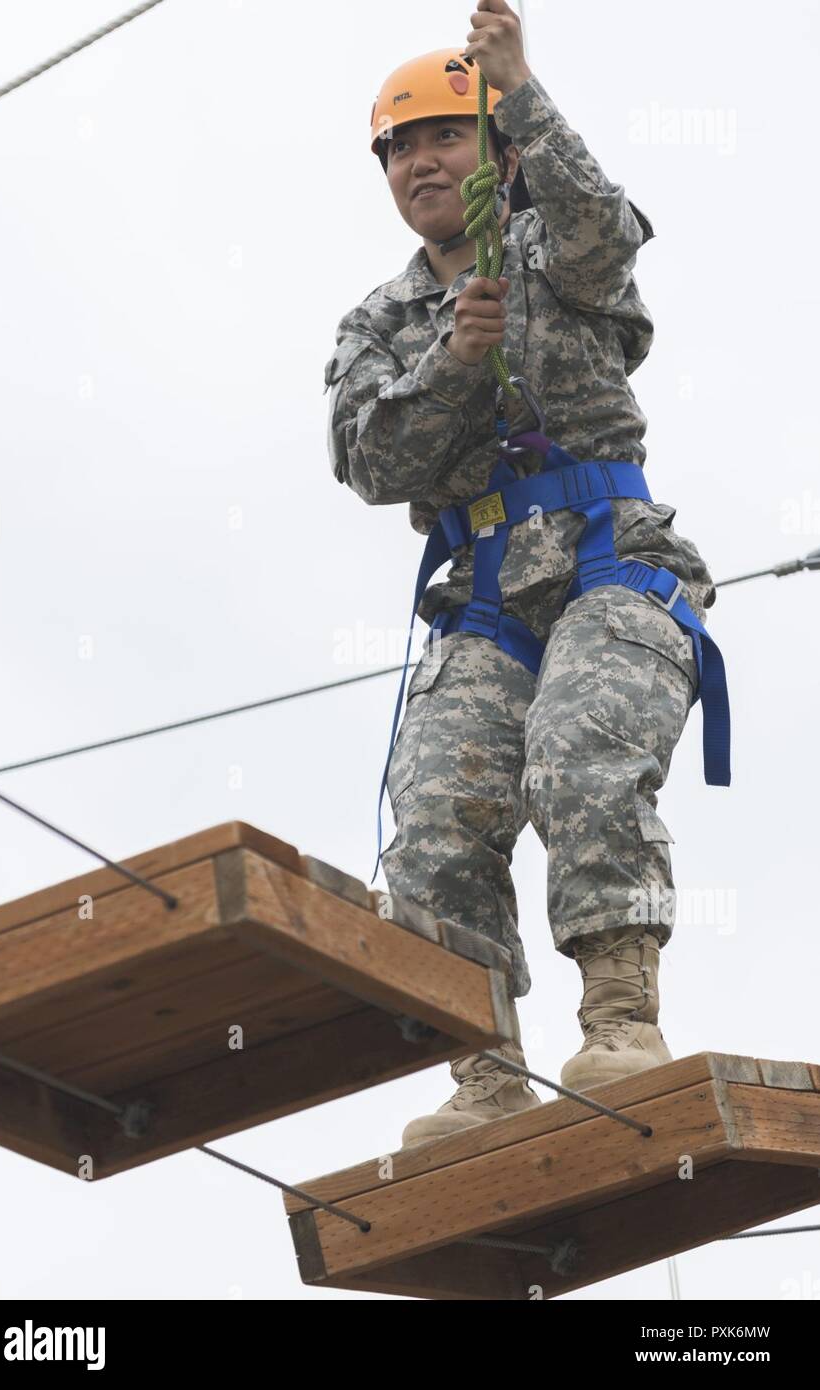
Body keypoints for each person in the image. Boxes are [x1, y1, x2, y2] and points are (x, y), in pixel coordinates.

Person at [324, 0, 727, 1149]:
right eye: (398, 149)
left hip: (607, 560)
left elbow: (605, 230)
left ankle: (619, 1016)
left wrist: (522, 87)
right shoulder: (382, 320)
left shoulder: (557, 241)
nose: (417, 164)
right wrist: (453, 358)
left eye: (441, 136)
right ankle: (484, 1072)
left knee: (577, 752)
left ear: (494, 146)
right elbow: (371, 460)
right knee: (437, 818)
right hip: (487, 591)